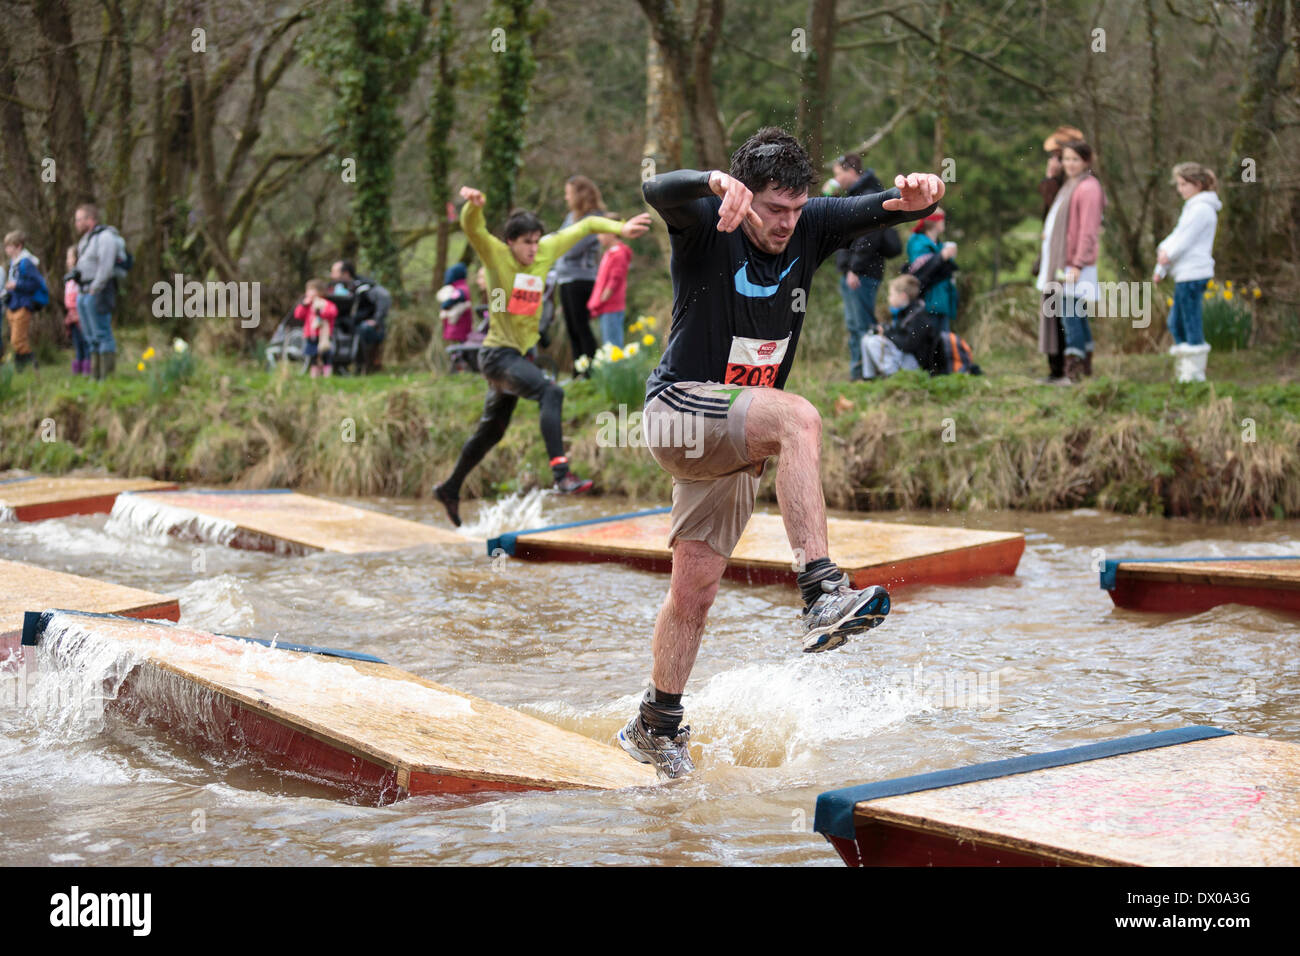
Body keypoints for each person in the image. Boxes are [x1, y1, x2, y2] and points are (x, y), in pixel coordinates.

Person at [618, 127, 943, 777]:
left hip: (738, 437)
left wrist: (922, 194)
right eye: (773, 210)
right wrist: (712, 182)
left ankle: (656, 723)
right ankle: (822, 588)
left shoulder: (810, 224)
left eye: (796, 210)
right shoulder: (711, 219)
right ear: (744, 194)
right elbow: (656, 188)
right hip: (680, 411)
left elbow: (889, 206)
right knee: (800, 417)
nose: (785, 225)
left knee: (696, 591)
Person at [431, 188, 651, 525]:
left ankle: (449, 487)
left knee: (492, 431)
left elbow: (588, 223)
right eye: (526, 243)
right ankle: (561, 473)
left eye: (537, 241)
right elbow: (473, 229)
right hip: (496, 355)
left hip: (519, 356)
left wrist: (621, 230)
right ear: (510, 242)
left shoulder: (547, 250)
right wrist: (473, 208)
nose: (534, 250)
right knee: (553, 391)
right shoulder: (496, 256)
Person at [1036, 140, 1104, 383]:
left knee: (1070, 314)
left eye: (1075, 159)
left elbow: (1088, 229)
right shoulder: (1071, 185)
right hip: (1065, 262)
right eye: (1066, 158)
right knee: (1075, 313)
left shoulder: (1088, 188)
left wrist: (1077, 263)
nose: (1070, 164)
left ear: (1086, 161)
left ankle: (1074, 372)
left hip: (1075, 264)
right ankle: (1082, 369)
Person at [830, 152, 902, 379]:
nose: (837, 179)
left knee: (862, 325)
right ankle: (860, 371)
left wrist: (855, 268)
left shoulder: (869, 196)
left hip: (861, 273)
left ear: (851, 172)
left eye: (839, 174)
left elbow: (869, 237)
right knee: (855, 325)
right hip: (855, 271)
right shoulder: (857, 195)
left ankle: (867, 374)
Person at [1153, 162, 1220, 382]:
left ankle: (1194, 375)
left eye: (1183, 184)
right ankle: (1185, 370)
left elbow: (1185, 239)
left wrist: (1167, 256)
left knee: (1189, 322)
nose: (1180, 189)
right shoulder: (1192, 207)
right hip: (1184, 274)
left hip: (1193, 274)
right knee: (1176, 323)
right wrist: (1161, 260)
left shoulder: (1202, 209)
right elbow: (1176, 236)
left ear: (1197, 184)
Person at [554, 176, 605, 370]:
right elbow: (557, 240)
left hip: (581, 279)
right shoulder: (571, 217)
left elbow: (572, 248)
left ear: (579, 194)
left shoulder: (594, 219)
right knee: (571, 328)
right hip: (564, 278)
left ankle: (590, 370)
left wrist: (560, 245)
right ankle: (578, 371)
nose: (566, 198)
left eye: (568, 193)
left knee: (582, 326)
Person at [73, 203, 124, 379]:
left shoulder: (105, 237)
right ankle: (95, 376)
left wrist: (95, 287)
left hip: (99, 290)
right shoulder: (85, 240)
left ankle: (107, 376)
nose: (77, 223)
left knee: (102, 333)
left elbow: (106, 266)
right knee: (90, 336)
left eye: (79, 219)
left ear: (91, 219)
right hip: (84, 292)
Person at [330, 260, 390, 373]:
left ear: (346, 273)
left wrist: (376, 320)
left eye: (334, 272)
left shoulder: (365, 286)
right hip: (346, 323)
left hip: (368, 325)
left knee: (362, 330)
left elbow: (384, 299)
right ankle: (337, 365)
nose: (331, 276)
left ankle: (362, 366)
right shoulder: (334, 288)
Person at [905, 210, 958, 332]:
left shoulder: (938, 244)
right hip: (927, 302)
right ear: (936, 222)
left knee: (942, 344)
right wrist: (942, 256)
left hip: (941, 301)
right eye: (942, 219)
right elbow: (920, 272)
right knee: (929, 344)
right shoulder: (918, 242)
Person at [3, 230, 46, 372]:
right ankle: (21, 369)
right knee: (17, 340)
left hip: (23, 304)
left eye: (9, 246)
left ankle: (32, 364)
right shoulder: (13, 263)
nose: (6, 249)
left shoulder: (26, 263)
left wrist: (17, 285)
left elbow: (36, 283)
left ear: (19, 246)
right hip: (13, 304)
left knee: (17, 340)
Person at [586, 226, 632, 349]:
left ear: (612, 233)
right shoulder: (609, 253)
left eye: (601, 233)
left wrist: (604, 296)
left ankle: (617, 368)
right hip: (605, 306)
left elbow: (615, 278)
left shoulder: (619, 254)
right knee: (608, 343)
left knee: (613, 345)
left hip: (611, 306)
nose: (598, 237)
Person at [294, 279, 338, 377]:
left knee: (326, 355)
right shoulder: (307, 306)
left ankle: (327, 375)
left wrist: (320, 311)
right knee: (313, 356)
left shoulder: (327, 304)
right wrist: (304, 305)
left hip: (324, 335)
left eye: (311, 290)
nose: (308, 293)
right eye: (307, 290)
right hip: (311, 335)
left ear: (320, 291)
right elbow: (298, 315)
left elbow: (332, 313)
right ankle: (314, 375)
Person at [63, 246, 91, 376]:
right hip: (71, 314)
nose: (67, 260)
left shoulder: (80, 276)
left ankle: (87, 369)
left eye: (70, 257)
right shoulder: (68, 278)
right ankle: (77, 370)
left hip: (80, 313)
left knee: (85, 341)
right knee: (77, 342)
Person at [438, 263, 474, 344]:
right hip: (459, 328)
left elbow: (456, 297)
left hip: (459, 328)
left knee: (460, 347)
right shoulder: (462, 287)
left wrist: (445, 305)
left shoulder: (460, 288)